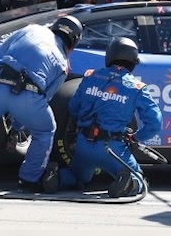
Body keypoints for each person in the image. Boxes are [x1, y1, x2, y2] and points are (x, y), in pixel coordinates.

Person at [0, 15, 83, 196]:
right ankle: (28, 181)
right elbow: (45, 98)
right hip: (29, 95)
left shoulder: (32, 29)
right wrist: (16, 130)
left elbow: (3, 50)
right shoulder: (63, 64)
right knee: (45, 131)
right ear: (73, 41)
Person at [57, 37, 163, 198]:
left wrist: (83, 123)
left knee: (77, 176)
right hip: (112, 149)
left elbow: (73, 107)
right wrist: (135, 137)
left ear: (109, 56)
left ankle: (56, 177)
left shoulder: (90, 76)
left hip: (83, 144)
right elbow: (155, 123)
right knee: (140, 181)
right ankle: (129, 183)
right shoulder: (137, 87)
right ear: (133, 62)